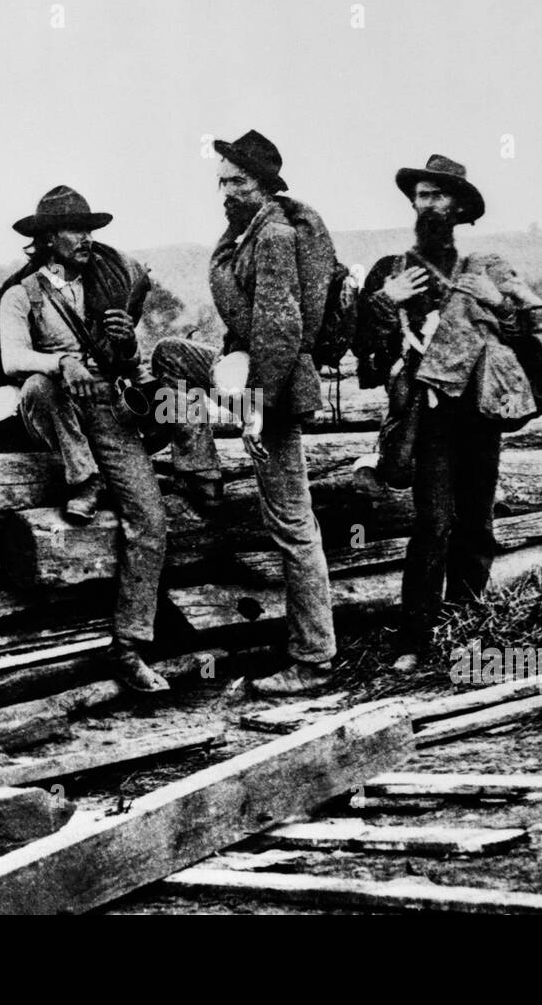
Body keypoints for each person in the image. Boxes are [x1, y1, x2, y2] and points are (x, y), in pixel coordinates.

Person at [0, 185, 170, 693]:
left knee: (150, 519)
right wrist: (60, 362)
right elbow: (12, 359)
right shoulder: (20, 295)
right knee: (37, 385)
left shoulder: (104, 288)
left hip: (107, 407)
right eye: (74, 229)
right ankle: (82, 478)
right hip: (54, 404)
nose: (86, 238)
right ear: (46, 240)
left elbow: (124, 365)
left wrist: (124, 343)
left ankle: (129, 646)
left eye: (90, 229)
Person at [354, 155, 542, 671]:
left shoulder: (488, 271)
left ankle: (469, 632)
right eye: (422, 195)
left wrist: (502, 307)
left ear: (460, 206)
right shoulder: (391, 271)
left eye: (439, 196)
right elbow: (362, 351)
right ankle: (415, 641)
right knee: (433, 524)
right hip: (428, 416)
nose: (428, 204)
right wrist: (383, 301)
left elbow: (521, 337)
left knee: (476, 524)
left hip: (481, 413)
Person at [152, 130, 338, 695]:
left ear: (264, 184)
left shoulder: (276, 235)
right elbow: (250, 324)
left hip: (275, 390)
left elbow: (282, 331)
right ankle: (201, 466)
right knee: (170, 355)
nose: (226, 191)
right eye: (221, 182)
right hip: (248, 370)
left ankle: (314, 658)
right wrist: (233, 358)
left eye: (237, 181)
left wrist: (253, 407)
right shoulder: (245, 232)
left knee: (291, 524)